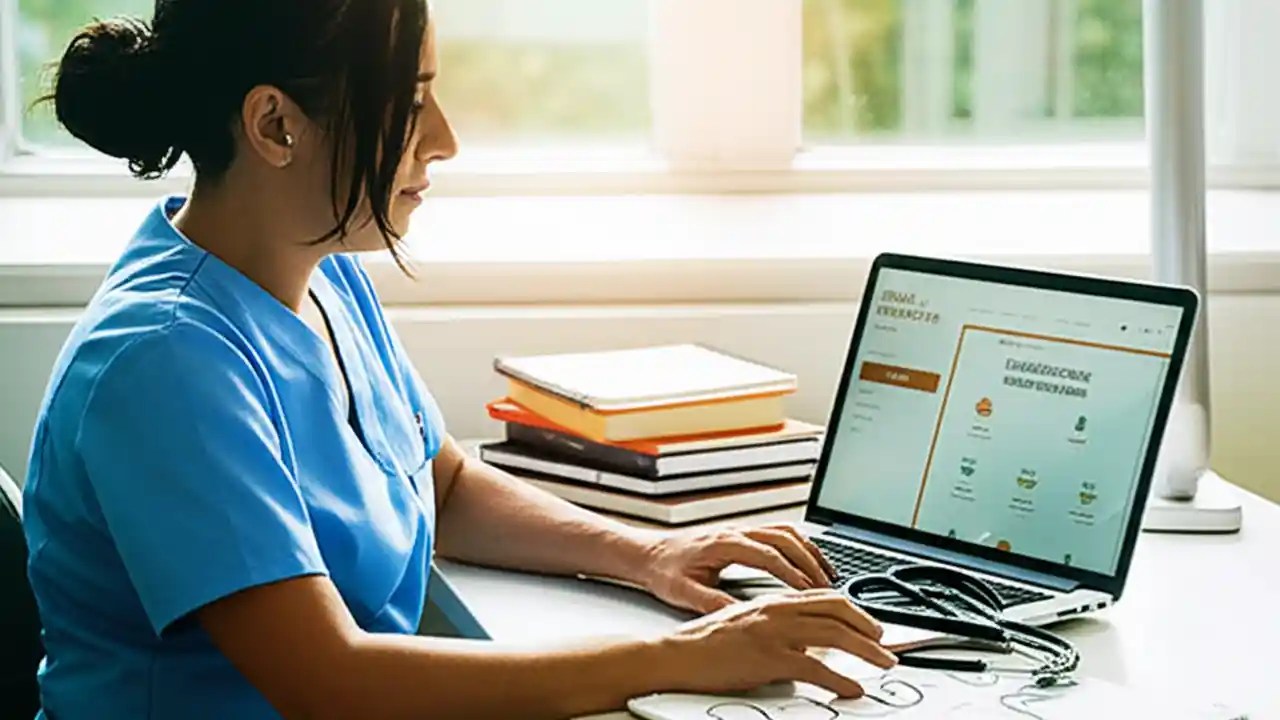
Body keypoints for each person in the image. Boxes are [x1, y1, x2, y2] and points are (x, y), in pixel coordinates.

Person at [21, 1, 896, 718]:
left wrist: (647, 554)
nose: (443, 140)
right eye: (410, 103)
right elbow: (331, 680)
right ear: (274, 124)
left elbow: (441, 486)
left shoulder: (322, 278)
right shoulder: (165, 363)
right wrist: (679, 656)